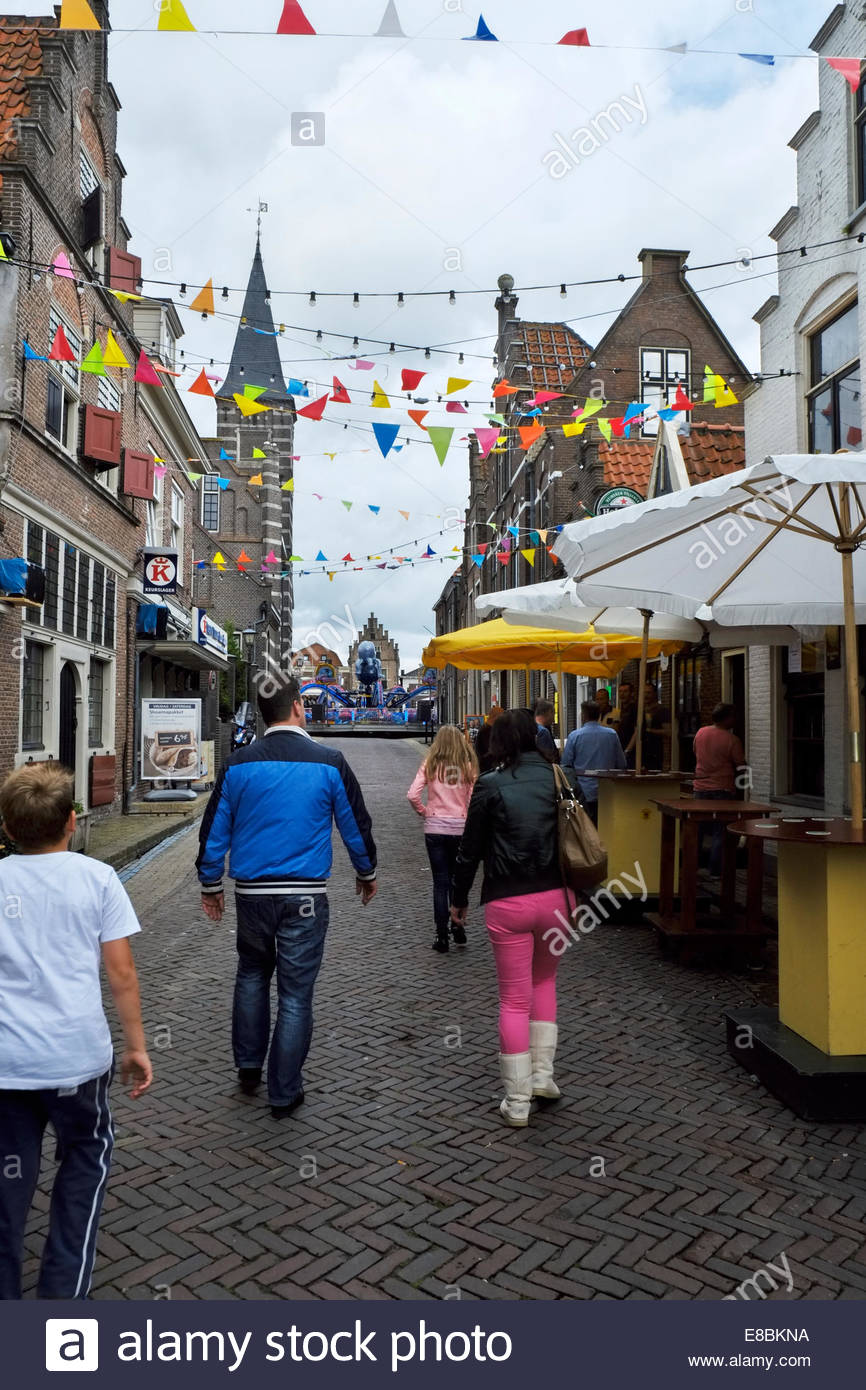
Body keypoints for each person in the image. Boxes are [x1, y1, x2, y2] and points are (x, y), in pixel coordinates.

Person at [0, 764, 152, 1301]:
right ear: (71, 821)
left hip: (7, 1066)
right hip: (75, 1063)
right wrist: (135, 1046)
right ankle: (61, 1306)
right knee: (84, 1163)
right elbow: (122, 974)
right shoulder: (97, 879)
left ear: (7, 827)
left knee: (7, 1187)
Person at [197, 674, 378, 1119]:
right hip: (305, 896)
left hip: (253, 895)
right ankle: (283, 1091)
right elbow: (355, 825)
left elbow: (214, 828)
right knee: (295, 995)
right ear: (298, 707)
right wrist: (366, 871)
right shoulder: (330, 762)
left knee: (252, 974)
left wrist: (210, 883)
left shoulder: (238, 764)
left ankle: (248, 1065)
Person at [450, 709, 573, 1128]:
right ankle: (543, 1077)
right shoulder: (560, 777)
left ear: (499, 743)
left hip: (509, 901)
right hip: (558, 897)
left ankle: (518, 1101)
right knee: (545, 982)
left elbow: (469, 850)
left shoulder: (489, 785)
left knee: (513, 999)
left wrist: (458, 898)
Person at [408, 726, 478, 954]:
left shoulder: (430, 764)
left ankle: (441, 936)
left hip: (435, 828)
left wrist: (424, 811)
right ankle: (457, 926)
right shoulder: (468, 767)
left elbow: (412, 794)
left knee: (440, 882)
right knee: (459, 881)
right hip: (460, 829)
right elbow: (472, 799)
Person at [694, 703, 747, 874]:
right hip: (722, 788)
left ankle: (693, 866)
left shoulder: (701, 733)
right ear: (727, 718)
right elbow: (740, 764)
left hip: (700, 787)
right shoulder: (732, 739)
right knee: (720, 830)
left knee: (698, 829)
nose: (735, 720)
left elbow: (695, 752)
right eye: (733, 716)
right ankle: (715, 870)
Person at [561, 700, 627, 825]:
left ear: (583, 716)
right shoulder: (612, 735)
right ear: (598, 715)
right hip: (607, 791)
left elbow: (566, 765)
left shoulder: (575, 736)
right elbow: (622, 764)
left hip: (582, 791)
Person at [627, 680, 669, 771]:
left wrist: (649, 730)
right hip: (639, 752)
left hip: (655, 752)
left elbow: (668, 731)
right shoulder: (639, 711)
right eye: (644, 693)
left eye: (649, 693)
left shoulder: (662, 711)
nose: (646, 695)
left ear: (654, 694)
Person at [474, 705, 503, 773]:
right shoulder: (487, 730)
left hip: (487, 764)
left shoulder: (489, 728)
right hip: (488, 766)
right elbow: (490, 749)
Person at [533, 698, 560, 764]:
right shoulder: (543, 732)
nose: (553, 719)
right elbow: (547, 756)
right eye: (553, 713)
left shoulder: (528, 727)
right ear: (548, 712)